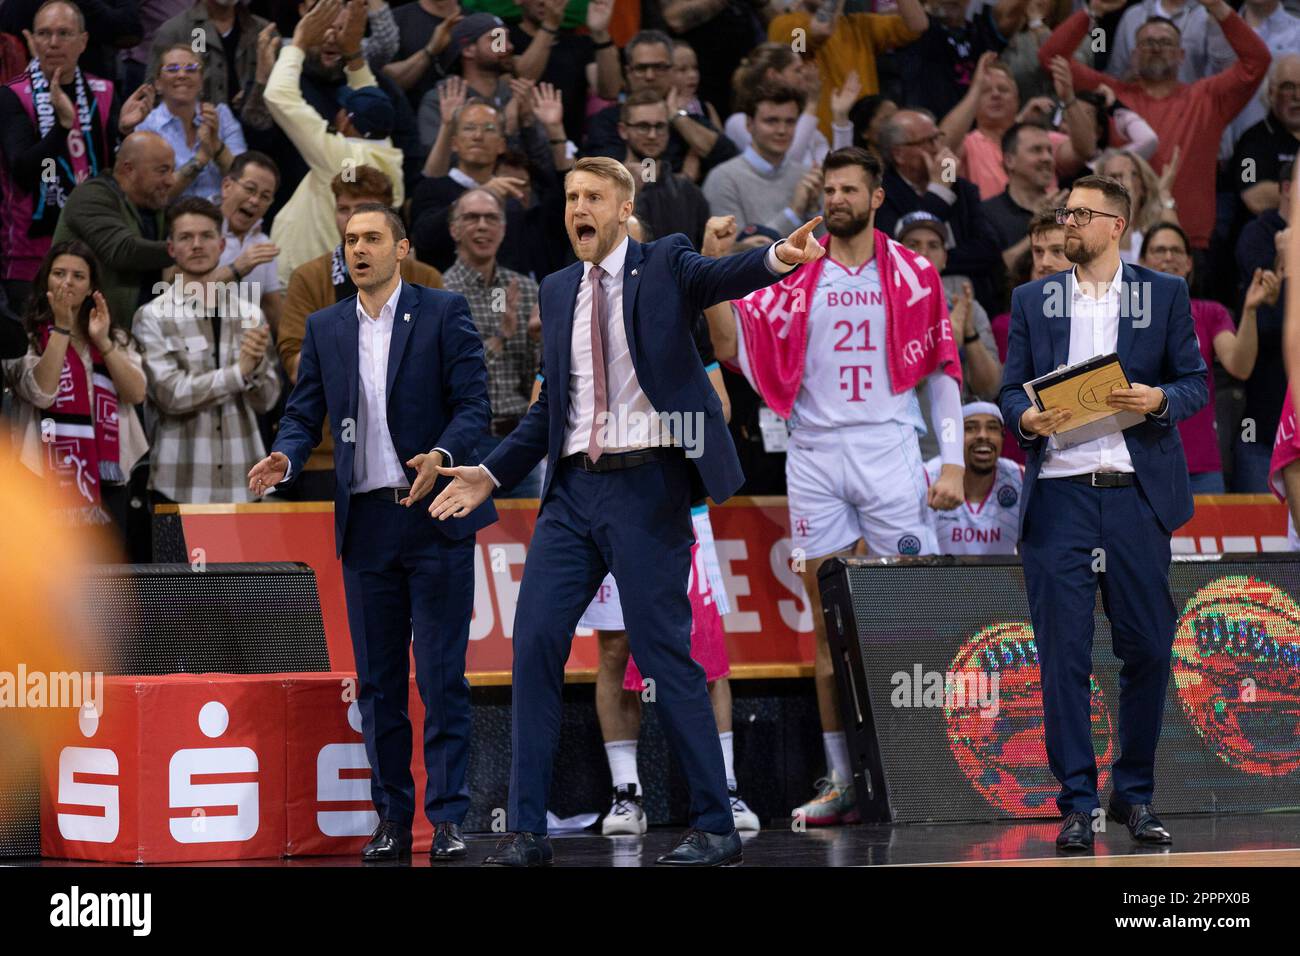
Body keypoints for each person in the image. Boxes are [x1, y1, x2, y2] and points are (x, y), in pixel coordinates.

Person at [428, 156, 826, 866]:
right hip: (572, 494)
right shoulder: (556, 290)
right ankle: (527, 832)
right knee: (535, 646)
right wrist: (490, 473)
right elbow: (550, 410)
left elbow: (722, 275)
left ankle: (714, 824)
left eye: (592, 197)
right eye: (570, 196)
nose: (577, 207)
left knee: (666, 654)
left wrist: (776, 258)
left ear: (621, 207)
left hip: (649, 487)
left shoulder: (667, 262)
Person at [703, 147, 966, 826]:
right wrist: (714, 273)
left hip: (888, 448)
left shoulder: (913, 271)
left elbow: (942, 367)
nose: (839, 198)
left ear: (877, 198)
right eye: (832, 188)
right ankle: (842, 779)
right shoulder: (793, 270)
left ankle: (926, 767)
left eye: (852, 189)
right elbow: (730, 347)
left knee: (913, 616)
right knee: (828, 627)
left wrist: (956, 461)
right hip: (814, 454)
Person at [248, 202, 496, 863]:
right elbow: (303, 416)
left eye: (372, 238)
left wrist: (442, 457)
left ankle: (447, 820)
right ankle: (392, 818)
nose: (359, 249)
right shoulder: (328, 328)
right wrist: (287, 456)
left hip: (435, 514)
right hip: (367, 523)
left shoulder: (441, 311)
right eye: (351, 240)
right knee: (379, 683)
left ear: (400, 247)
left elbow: (476, 406)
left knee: (443, 678)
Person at [999, 175, 1208, 851]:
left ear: (1117, 225)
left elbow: (1197, 383)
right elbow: (1007, 391)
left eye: (1081, 214)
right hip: (1060, 495)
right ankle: (1077, 802)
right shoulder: (1033, 298)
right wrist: (1026, 417)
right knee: (1063, 656)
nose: (1068, 223)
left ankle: (1135, 795)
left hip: (1133, 496)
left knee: (1148, 647)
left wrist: (1159, 401)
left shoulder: (1164, 294)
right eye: (1065, 213)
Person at [1039, 0, 1271, 254]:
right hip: (1121, 241)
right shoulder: (1110, 94)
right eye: (1148, 42)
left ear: (1182, 54)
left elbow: (1257, 61)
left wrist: (1218, 8)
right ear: (1133, 55)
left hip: (1188, 243)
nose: (1157, 48)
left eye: (1166, 42)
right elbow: (1051, 58)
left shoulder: (1207, 98)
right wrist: (1092, 11)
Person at [276, 166, 444, 502]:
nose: (351, 220)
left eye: (364, 210)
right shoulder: (308, 277)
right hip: (326, 456)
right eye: (343, 210)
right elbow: (296, 368)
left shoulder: (426, 279)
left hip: (418, 456)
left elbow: (444, 375)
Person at [0, 0, 152, 313]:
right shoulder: (12, 94)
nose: (53, 42)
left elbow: (114, 173)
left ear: (83, 42)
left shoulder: (105, 91)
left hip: (93, 250)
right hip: (33, 255)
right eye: (44, 33)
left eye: (64, 33)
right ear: (32, 40)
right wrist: (62, 129)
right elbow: (27, 171)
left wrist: (123, 132)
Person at [134, 197, 280, 505]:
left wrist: (254, 373)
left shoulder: (250, 314)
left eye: (207, 236)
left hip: (246, 484)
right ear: (172, 249)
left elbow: (267, 400)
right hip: (179, 484)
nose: (197, 245)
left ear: (222, 244)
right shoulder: (152, 315)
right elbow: (170, 395)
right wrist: (239, 373)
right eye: (186, 237)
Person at [3, 240, 148, 537]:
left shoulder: (115, 336)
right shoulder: (22, 338)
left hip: (108, 477)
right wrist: (61, 329)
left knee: (108, 577)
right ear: (46, 280)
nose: (67, 282)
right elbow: (41, 392)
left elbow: (137, 394)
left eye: (78, 276)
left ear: (92, 286)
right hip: (43, 478)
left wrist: (104, 342)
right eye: (59, 273)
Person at [264, 0, 405, 285]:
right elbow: (371, 102)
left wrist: (299, 42)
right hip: (348, 284)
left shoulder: (339, 157)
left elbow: (279, 96)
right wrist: (354, 55)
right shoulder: (389, 156)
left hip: (304, 285)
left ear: (346, 121)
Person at [1140, 222, 1271, 492]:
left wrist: (1250, 310)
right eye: (1159, 250)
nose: (1168, 257)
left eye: (1176, 251)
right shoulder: (1121, 315)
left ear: (1189, 263)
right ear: (1141, 261)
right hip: (1140, 462)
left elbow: (1240, 366)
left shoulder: (1210, 313)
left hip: (1200, 465)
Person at [441, 187, 543, 498]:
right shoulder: (439, 292)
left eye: (491, 218)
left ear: (503, 229)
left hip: (518, 440)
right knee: (468, 542)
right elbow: (447, 373)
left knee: (524, 542)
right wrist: (500, 338)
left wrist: (537, 342)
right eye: (471, 218)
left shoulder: (526, 289)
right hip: (466, 442)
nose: (482, 226)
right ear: (454, 229)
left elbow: (535, 380)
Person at [875, 108, 1003, 312]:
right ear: (899, 154)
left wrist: (938, 259)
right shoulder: (880, 194)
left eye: (938, 137)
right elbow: (905, 258)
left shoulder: (960, 186)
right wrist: (938, 194)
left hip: (977, 300)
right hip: (913, 304)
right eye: (928, 141)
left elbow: (989, 249)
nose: (939, 148)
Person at [49, 132, 177, 332]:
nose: (170, 180)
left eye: (171, 170)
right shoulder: (91, 196)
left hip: (137, 332)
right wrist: (181, 251)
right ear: (129, 169)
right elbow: (122, 251)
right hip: (83, 333)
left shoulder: (151, 204)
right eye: (162, 171)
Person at [582, 31, 738, 182]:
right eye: (641, 68)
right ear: (628, 72)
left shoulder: (687, 120)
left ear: (671, 72)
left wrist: (675, 116)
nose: (650, 76)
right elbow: (614, 175)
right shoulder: (606, 121)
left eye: (659, 68)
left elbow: (730, 158)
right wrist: (683, 180)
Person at [938, 52, 1090, 202]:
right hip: (991, 224)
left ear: (1017, 99)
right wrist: (975, 87)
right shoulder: (968, 145)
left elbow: (1085, 150)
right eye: (985, 91)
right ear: (974, 100)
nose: (995, 94)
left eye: (1003, 89)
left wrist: (1069, 98)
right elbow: (942, 147)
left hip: (1048, 222)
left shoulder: (1042, 139)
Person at [767, 0, 928, 137]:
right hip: (817, 145)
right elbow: (821, 29)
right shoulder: (786, 25)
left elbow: (917, 25)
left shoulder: (858, 25)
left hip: (864, 143)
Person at [895, 210, 1001, 402]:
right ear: (895, 256)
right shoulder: (880, 306)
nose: (923, 253)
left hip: (958, 424)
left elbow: (989, 388)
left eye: (933, 245)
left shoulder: (968, 308)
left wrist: (969, 333)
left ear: (945, 258)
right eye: (913, 245)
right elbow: (903, 380)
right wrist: (944, 341)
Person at [1233, 161, 1291, 491]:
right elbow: (1273, 317)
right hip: (1266, 424)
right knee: (1262, 536)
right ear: (1286, 188)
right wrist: (1285, 259)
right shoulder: (1260, 234)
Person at [701, 82, 824, 235]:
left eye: (790, 122)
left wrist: (813, 210)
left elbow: (825, 251)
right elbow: (734, 255)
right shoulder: (722, 179)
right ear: (749, 124)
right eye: (771, 121)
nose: (782, 130)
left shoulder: (807, 177)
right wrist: (793, 212)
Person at [137, 44, 248, 204]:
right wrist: (200, 159)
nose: (182, 74)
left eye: (191, 69)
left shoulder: (221, 116)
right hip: (172, 219)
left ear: (201, 81)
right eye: (172, 69)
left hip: (223, 216)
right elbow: (155, 194)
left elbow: (244, 180)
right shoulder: (147, 127)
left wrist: (216, 146)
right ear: (158, 84)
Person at [509, 0, 621, 143]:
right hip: (520, 149)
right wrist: (550, 25)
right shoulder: (506, 37)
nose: (546, 3)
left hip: (569, 148)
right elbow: (524, 78)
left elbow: (610, 92)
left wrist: (600, 34)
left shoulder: (578, 43)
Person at [924, 402, 1023, 555]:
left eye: (992, 428)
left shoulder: (1020, 478)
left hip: (1002, 579)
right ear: (954, 438)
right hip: (939, 579)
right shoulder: (927, 477)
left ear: (1003, 437)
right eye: (970, 428)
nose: (983, 435)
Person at [618, 90, 711, 250]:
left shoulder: (688, 191)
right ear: (623, 131)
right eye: (643, 126)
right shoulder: (605, 189)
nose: (652, 135)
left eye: (660, 126)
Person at [216, 151, 283, 335]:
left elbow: (273, 310)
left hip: (247, 349)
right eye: (250, 189)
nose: (254, 201)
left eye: (265, 196)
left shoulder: (263, 244)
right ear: (227, 186)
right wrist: (236, 269)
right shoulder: (197, 230)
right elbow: (178, 291)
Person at [1231, 53, 1300, 218]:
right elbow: (1253, 195)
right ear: (1271, 93)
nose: (1298, 96)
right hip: (1266, 235)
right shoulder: (1253, 142)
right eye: (1288, 87)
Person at [1096, 148, 1181, 262]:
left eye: (1132, 175)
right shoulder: (1095, 231)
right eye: (1115, 176)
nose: (1125, 182)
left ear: (1143, 185)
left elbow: (1176, 255)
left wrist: (1164, 194)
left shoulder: (1153, 233)